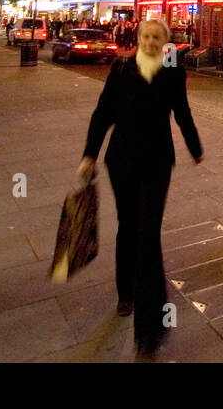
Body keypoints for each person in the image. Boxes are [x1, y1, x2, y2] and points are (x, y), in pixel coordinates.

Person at [76, 18, 203, 354]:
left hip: (158, 161)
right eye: (145, 36)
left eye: (156, 37)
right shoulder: (121, 69)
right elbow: (103, 113)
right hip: (121, 161)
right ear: (138, 38)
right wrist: (89, 154)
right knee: (127, 226)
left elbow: (182, 111)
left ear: (166, 41)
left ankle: (149, 329)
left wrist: (195, 147)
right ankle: (125, 292)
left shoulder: (173, 71)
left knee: (148, 233)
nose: (149, 41)